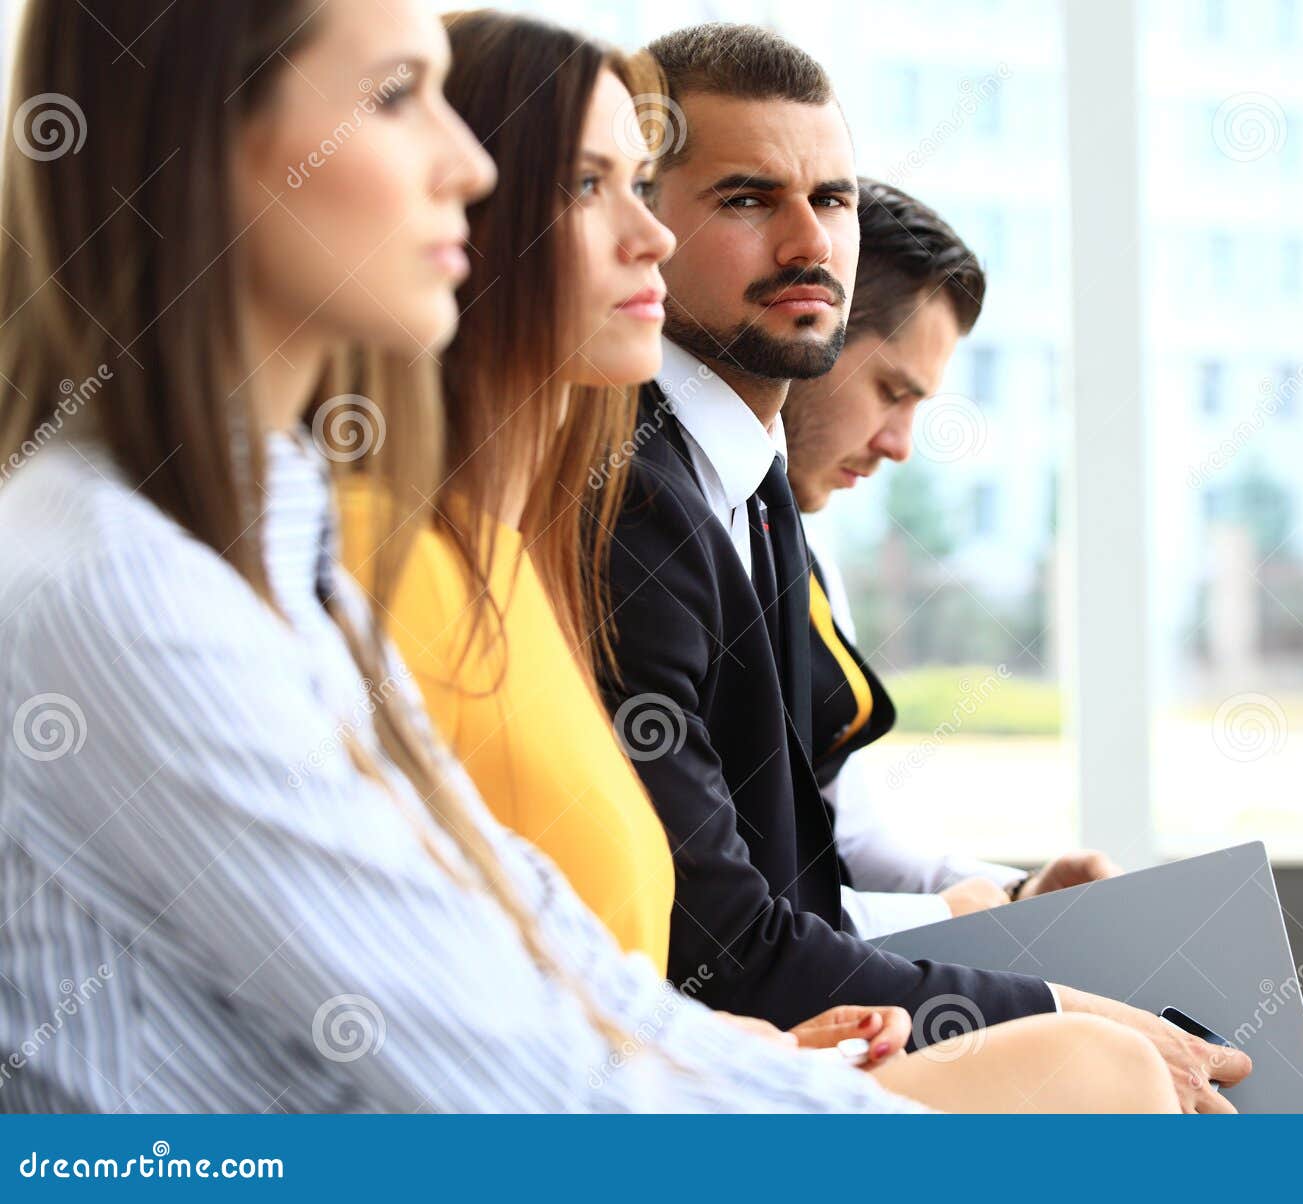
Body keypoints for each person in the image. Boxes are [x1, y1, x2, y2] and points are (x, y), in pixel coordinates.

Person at [0, 0, 1172, 1115]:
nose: (465, 166)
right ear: (211, 138)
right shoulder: (129, 585)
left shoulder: (280, 554)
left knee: (1097, 1071)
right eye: (400, 96)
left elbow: (540, 961)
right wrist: (903, 1097)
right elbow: (510, 1079)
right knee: (1095, 1079)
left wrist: (741, 1053)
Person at [596, 21, 1248, 1113]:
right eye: (748, 198)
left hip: (800, 1008)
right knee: (1205, 1065)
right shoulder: (643, 495)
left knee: (1254, 1042)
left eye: (835, 198)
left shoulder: (749, 493)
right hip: (735, 1046)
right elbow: (728, 939)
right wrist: (1057, 1009)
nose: (810, 241)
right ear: (644, 224)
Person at [783, 176, 1303, 1114]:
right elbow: (749, 912)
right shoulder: (713, 542)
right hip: (828, 979)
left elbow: (845, 821)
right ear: (807, 339)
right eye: (891, 391)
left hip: (872, 942)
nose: (899, 444)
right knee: (1276, 1064)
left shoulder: (803, 543)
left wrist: (1009, 894)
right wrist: (948, 915)